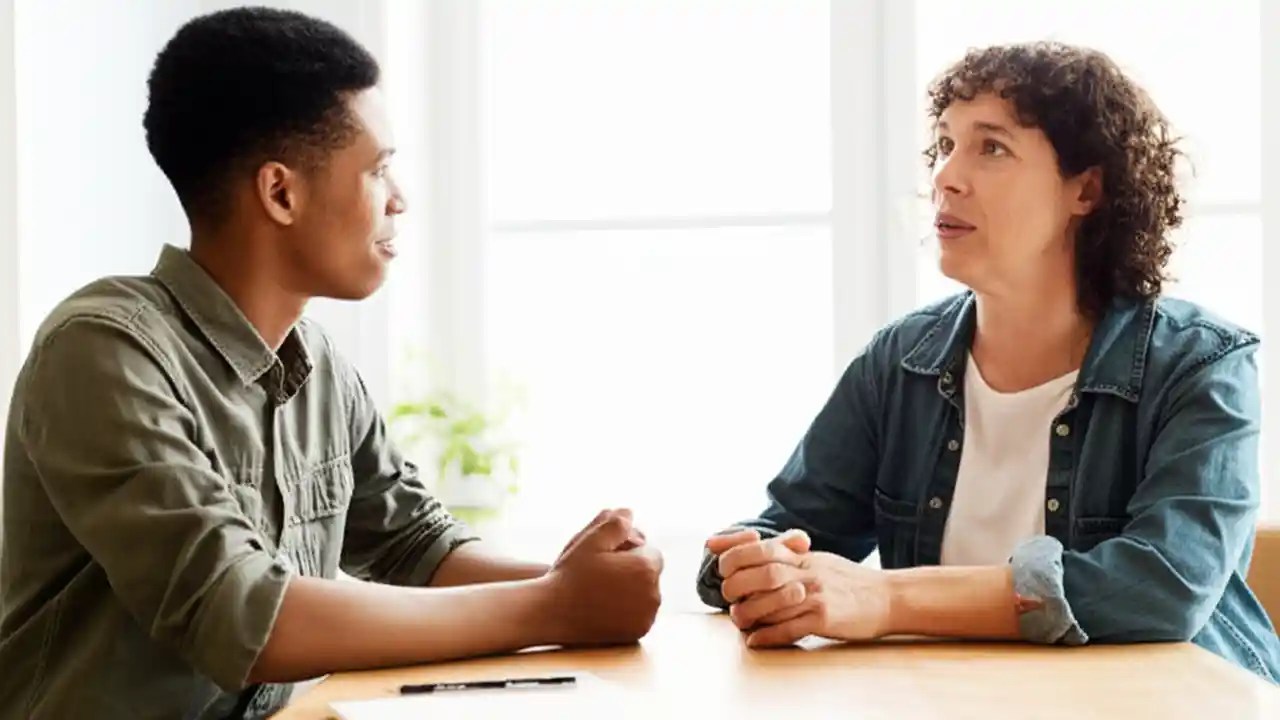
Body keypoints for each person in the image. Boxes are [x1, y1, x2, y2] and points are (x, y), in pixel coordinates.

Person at [0, 8, 662, 719]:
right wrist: (557, 605)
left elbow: (417, 549)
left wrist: (598, 586)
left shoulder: (318, 364)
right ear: (280, 192)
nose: (399, 199)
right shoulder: (102, 352)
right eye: (378, 170)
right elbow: (244, 616)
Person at [697, 41, 1280, 683]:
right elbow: (791, 529)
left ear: (1085, 190)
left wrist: (887, 599)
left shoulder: (1202, 366)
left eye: (991, 147)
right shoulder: (900, 361)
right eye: (944, 144)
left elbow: (1162, 587)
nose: (946, 175)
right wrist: (755, 567)